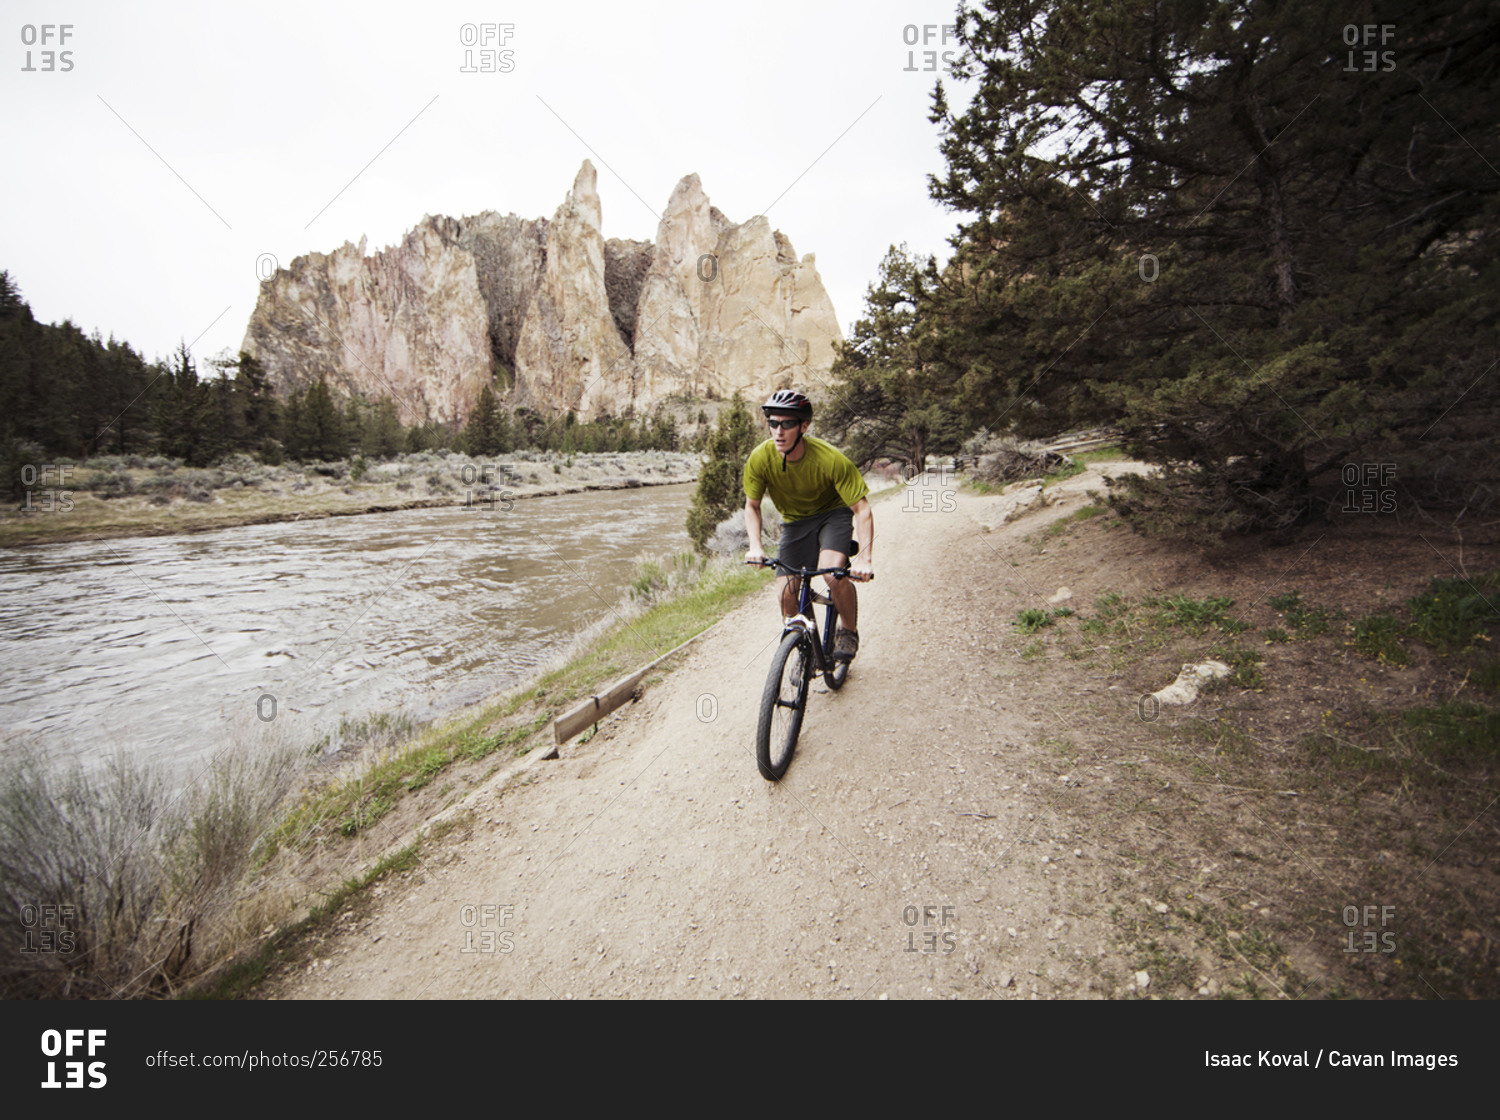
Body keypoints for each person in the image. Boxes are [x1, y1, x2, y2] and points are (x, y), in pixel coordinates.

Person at [743, 389, 874, 661]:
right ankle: (802, 644)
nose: (778, 431)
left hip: (832, 514)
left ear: (803, 426)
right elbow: (752, 506)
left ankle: (848, 630)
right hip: (794, 522)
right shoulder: (760, 458)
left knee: (832, 574)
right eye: (773, 423)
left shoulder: (829, 458)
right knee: (786, 597)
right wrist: (755, 546)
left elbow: (862, 509)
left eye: (787, 424)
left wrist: (864, 559)